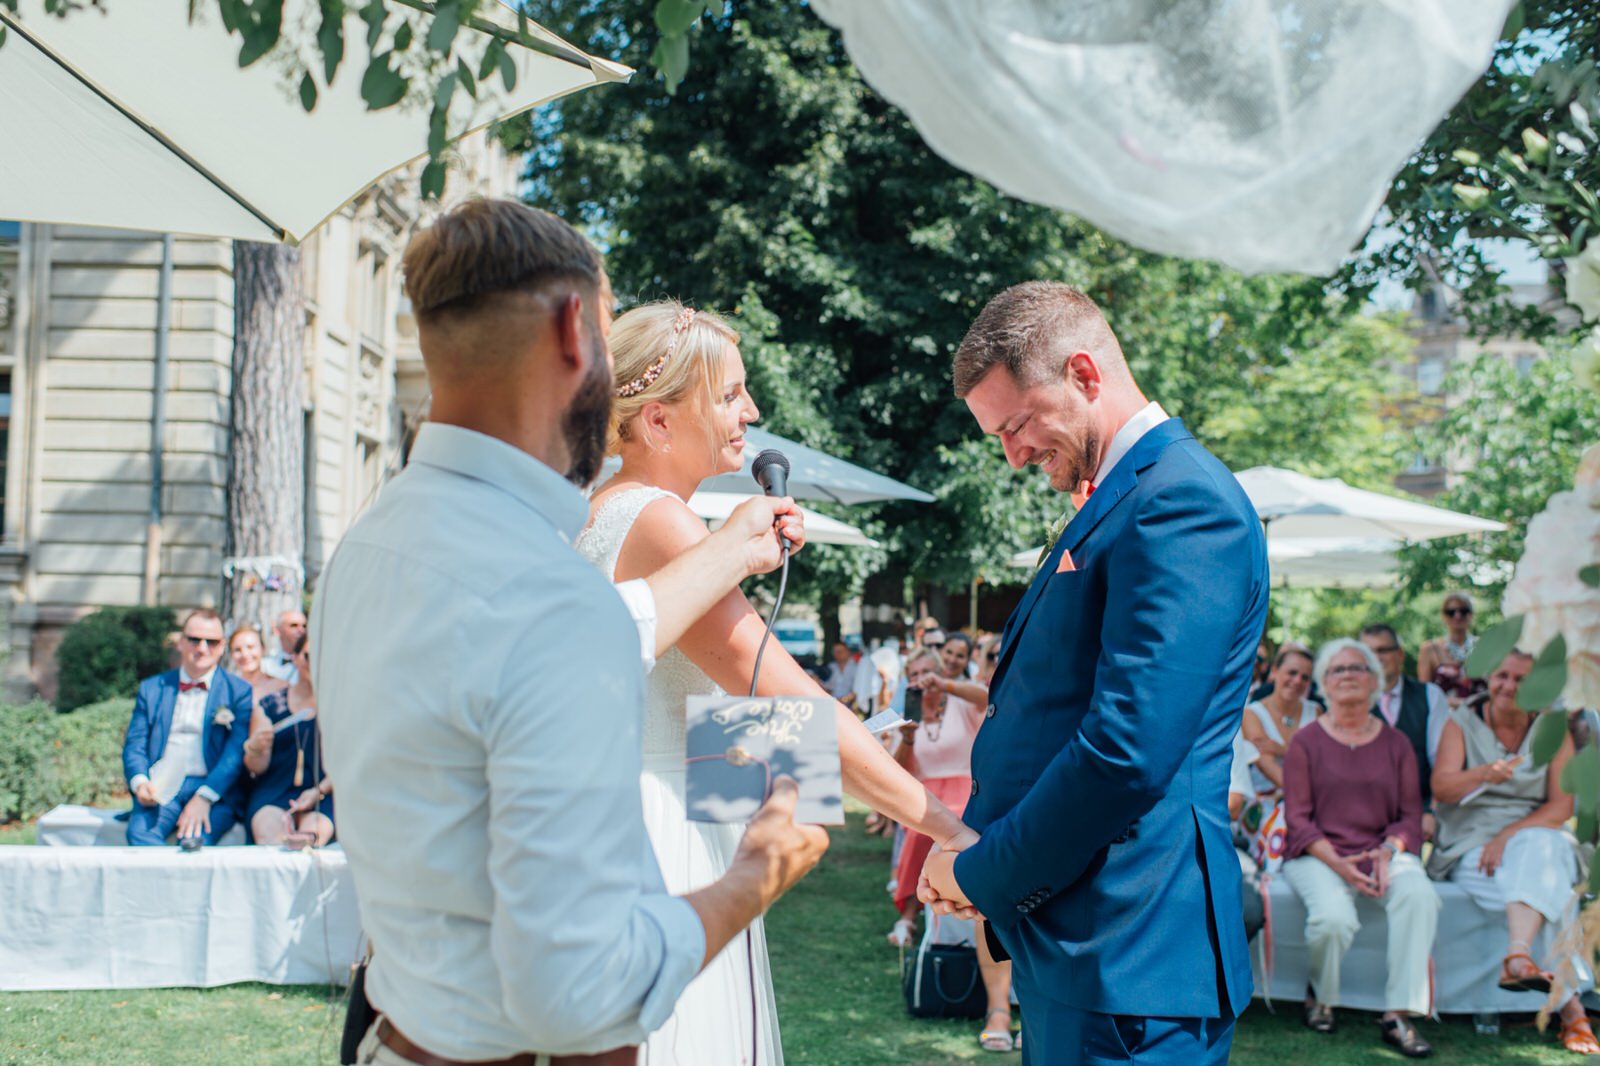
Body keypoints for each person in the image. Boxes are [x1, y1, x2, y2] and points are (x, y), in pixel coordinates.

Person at [312, 199, 829, 1065]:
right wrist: (756, 875)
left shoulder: (367, 546)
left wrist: (733, 560)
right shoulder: (552, 590)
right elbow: (580, 997)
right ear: (568, 331)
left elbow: (595, 687)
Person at [577, 297, 975, 1065]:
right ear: (657, 420)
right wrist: (947, 829)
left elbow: (699, 729)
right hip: (668, 840)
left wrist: (814, 765)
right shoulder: (661, 521)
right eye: (730, 394)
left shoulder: (601, 510)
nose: (752, 411)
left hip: (644, 809)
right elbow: (794, 701)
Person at [922, 281, 1268, 1064]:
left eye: (1016, 425)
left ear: (1083, 373)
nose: (1012, 454)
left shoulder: (1183, 501)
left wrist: (984, 873)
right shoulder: (1128, 493)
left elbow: (1126, 749)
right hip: (1084, 944)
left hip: (1133, 949)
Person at [1430, 650, 1598, 1055]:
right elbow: (1442, 789)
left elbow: (1561, 806)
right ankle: (1572, 1009)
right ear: (1489, 678)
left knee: (1545, 847)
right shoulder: (1461, 722)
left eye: (1521, 679)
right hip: (1470, 841)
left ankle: (1518, 956)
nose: (1509, 686)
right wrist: (1484, 773)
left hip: (1530, 833)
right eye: (1502, 675)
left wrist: (1507, 835)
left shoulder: (1551, 729)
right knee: (1551, 887)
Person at [1280, 639, 1439, 1058]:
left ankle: (1398, 1013)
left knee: (1419, 894)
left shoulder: (1397, 744)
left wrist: (1387, 851)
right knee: (1333, 919)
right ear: (1324, 684)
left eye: (1357, 667)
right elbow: (1297, 818)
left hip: (1381, 851)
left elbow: (1410, 815)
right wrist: (1340, 865)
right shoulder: (1305, 742)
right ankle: (1322, 997)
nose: (1348, 674)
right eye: (1337, 669)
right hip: (1318, 854)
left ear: (1375, 681)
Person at [122, 609, 252, 846]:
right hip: (161, 785)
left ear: (222, 647)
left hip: (212, 788)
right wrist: (140, 782)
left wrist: (205, 797)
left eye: (211, 642)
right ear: (181, 642)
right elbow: (135, 744)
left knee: (194, 845)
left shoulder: (238, 691)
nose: (202, 648)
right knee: (140, 836)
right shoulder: (152, 688)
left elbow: (234, 755)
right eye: (194, 640)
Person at [243, 639, 333, 847]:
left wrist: (318, 792)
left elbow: (347, 763)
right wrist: (257, 747)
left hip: (322, 791)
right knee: (270, 837)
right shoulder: (270, 704)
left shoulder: (337, 706)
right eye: (308, 656)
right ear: (295, 658)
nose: (315, 663)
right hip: (274, 789)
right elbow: (257, 767)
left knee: (311, 838)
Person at [1239, 645, 1319, 870]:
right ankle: (1272, 880)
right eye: (1291, 673)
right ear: (1274, 671)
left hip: (1313, 795)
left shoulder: (1316, 712)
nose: (1297, 681)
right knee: (1286, 822)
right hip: (1265, 800)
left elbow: (1323, 761)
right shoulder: (1252, 714)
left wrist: (1283, 749)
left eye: (1305, 677)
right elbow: (1267, 765)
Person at [1360, 622, 1450, 817]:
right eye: (1368, 653)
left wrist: (1432, 811)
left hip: (1423, 809)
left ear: (1400, 654)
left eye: (1383, 650)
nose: (1376, 658)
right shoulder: (1351, 702)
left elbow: (1442, 761)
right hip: (1366, 812)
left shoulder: (1430, 695)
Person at [1417, 591, 1479, 701]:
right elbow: (1424, 693)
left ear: (1471, 614)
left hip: (1479, 709)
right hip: (1443, 710)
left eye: (1463, 611)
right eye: (1451, 612)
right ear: (1444, 616)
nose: (1457, 616)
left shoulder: (1484, 646)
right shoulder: (1430, 649)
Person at [228, 625, 290, 706]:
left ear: (263, 648)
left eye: (250, 647)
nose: (245, 654)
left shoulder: (282, 686)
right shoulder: (227, 691)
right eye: (237, 650)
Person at [262, 609, 307, 683]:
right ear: (277, 630)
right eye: (294, 625)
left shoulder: (312, 663)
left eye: (304, 626)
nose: (301, 630)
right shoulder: (265, 665)